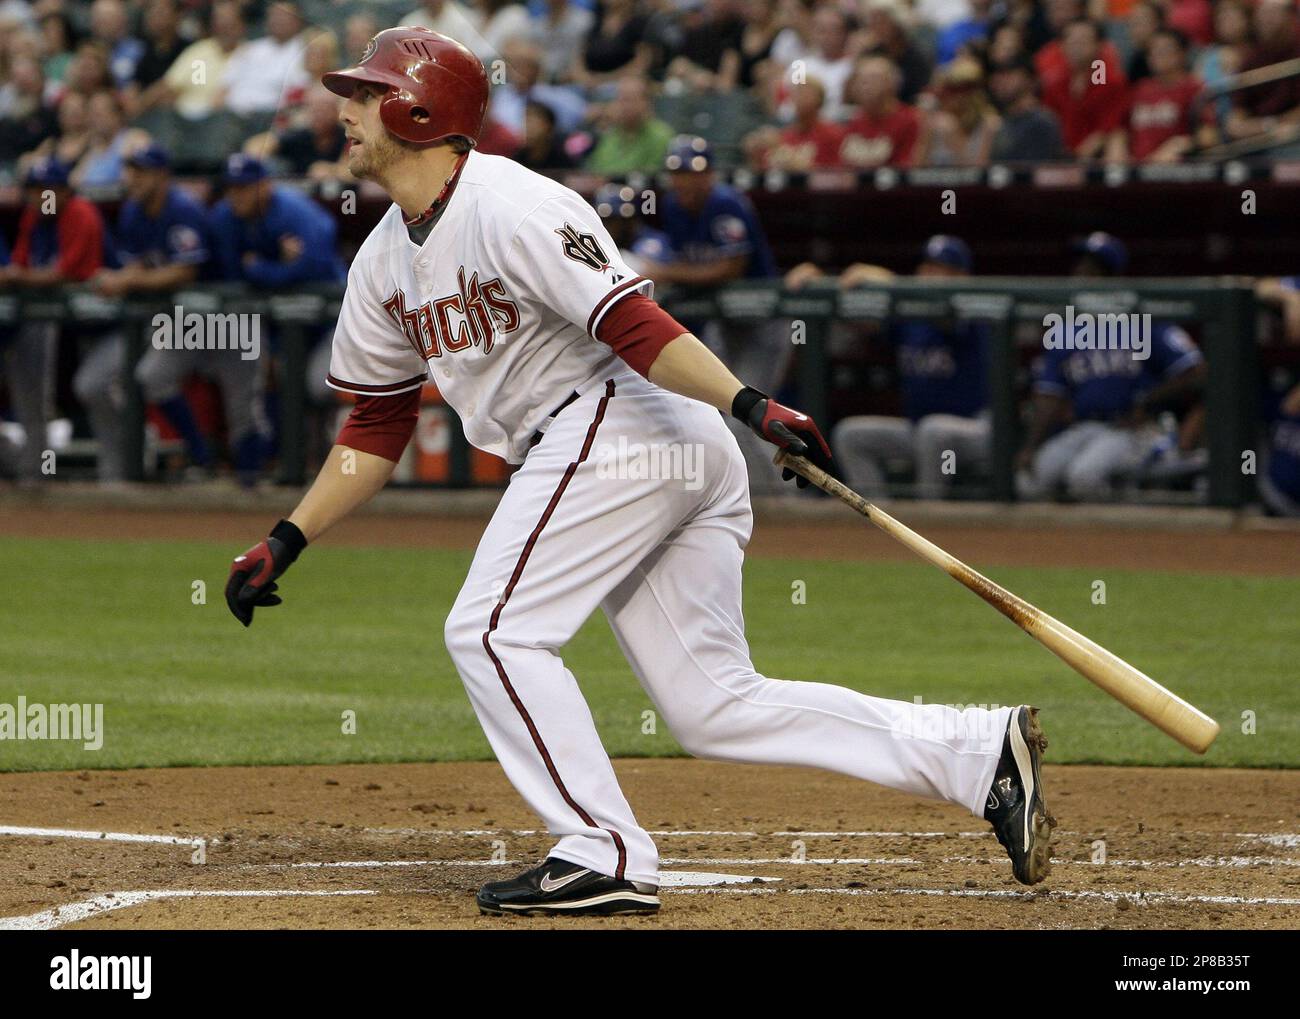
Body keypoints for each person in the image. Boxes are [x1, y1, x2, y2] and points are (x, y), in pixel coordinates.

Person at [226, 28, 1052, 918]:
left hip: (621, 422)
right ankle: (975, 751)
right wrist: (288, 535)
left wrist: (749, 403)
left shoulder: (512, 203)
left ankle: (604, 848)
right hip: (626, 445)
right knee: (711, 704)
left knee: (492, 631)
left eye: (362, 95)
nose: (343, 112)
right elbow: (378, 425)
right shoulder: (383, 261)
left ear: (414, 109)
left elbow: (634, 327)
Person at [787, 235, 990, 499]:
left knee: (933, 430)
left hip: (976, 428)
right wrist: (823, 282)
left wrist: (878, 276)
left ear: (962, 277)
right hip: (918, 428)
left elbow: (944, 317)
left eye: (942, 269)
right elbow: (860, 321)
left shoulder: (970, 313)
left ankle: (928, 519)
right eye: (926, 268)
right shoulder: (910, 316)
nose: (929, 276)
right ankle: (880, 521)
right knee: (851, 436)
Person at [1017, 233, 1207, 501]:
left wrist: (1149, 401)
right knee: (1030, 480)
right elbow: (1049, 396)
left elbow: (1197, 373)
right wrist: (1030, 447)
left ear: (1113, 278)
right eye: (1080, 268)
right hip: (1083, 429)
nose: (1082, 276)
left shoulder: (1142, 321)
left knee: (1084, 476)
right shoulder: (1066, 332)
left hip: (1132, 431)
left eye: (1093, 270)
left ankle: (1119, 541)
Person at [653, 134, 787, 495]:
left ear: (710, 174)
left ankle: (785, 501)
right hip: (723, 323)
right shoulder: (671, 207)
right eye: (678, 171)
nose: (685, 179)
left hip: (762, 320)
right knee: (712, 413)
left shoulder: (727, 204)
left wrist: (666, 273)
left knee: (751, 416)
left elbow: (730, 267)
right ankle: (739, 494)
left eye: (695, 171)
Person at [204, 153, 345, 482]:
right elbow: (232, 272)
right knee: (277, 382)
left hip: (329, 319)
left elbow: (313, 265)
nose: (236, 195)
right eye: (231, 188)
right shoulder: (225, 216)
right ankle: (284, 465)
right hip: (280, 325)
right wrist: (278, 268)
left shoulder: (296, 212)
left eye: (244, 188)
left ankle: (332, 467)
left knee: (317, 386)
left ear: (264, 186)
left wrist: (261, 268)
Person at [82, 142, 213, 483]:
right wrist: (121, 277)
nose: (134, 179)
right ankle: (128, 458)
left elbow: (187, 272)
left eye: (142, 172)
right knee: (91, 383)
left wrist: (130, 279)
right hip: (149, 320)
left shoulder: (184, 208)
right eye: (131, 171)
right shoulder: (132, 211)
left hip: (203, 319)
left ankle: (200, 454)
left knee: (152, 376)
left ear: (162, 175)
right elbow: (136, 262)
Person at [0, 158, 106, 483]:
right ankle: (35, 472)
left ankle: (47, 470)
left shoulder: (81, 213)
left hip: (98, 321)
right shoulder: (35, 217)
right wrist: (17, 275)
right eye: (33, 190)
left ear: (63, 191)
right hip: (43, 317)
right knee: (29, 399)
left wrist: (18, 276)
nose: (38, 197)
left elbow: (65, 273)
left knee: (58, 398)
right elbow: (19, 263)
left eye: (45, 191)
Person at [1106, 28, 1201, 164]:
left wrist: (1180, 145)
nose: (1157, 55)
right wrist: (1117, 147)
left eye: (1165, 49)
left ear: (1182, 54)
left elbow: (1209, 134)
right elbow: (1120, 128)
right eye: (1153, 51)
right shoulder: (1139, 89)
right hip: (1136, 171)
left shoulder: (1194, 88)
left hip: (1176, 169)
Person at [1039, 19, 1129, 159]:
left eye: (1083, 42)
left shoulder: (1110, 81)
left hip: (1097, 158)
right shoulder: (1055, 84)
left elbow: (1108, 127)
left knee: (1116, 138)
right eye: (1071, 42)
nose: (1076, 47)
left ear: (1098, 45)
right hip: (1060, 156)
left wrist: (1078, 157)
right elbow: (1048, 123)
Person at [839, 55, 921, 168]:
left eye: (873, 79)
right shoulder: (854, 121)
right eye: (860, 80)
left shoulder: (911, 120)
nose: (865, 86)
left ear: (892, 83)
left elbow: (910, 170)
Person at [584, 75, 674, 177]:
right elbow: (597, 170)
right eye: (620, 99)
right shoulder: (608, 133)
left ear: (646, 103)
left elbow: (649, 177)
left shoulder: (661, 135)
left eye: (629, 100)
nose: (623, 106)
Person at [987, 54, 1065, 162]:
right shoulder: (998, 122)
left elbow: (1033, 173)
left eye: (1008, 74)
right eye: (997, 75)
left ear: (1030, 80)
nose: (1000, 81)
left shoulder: (1041, 123)